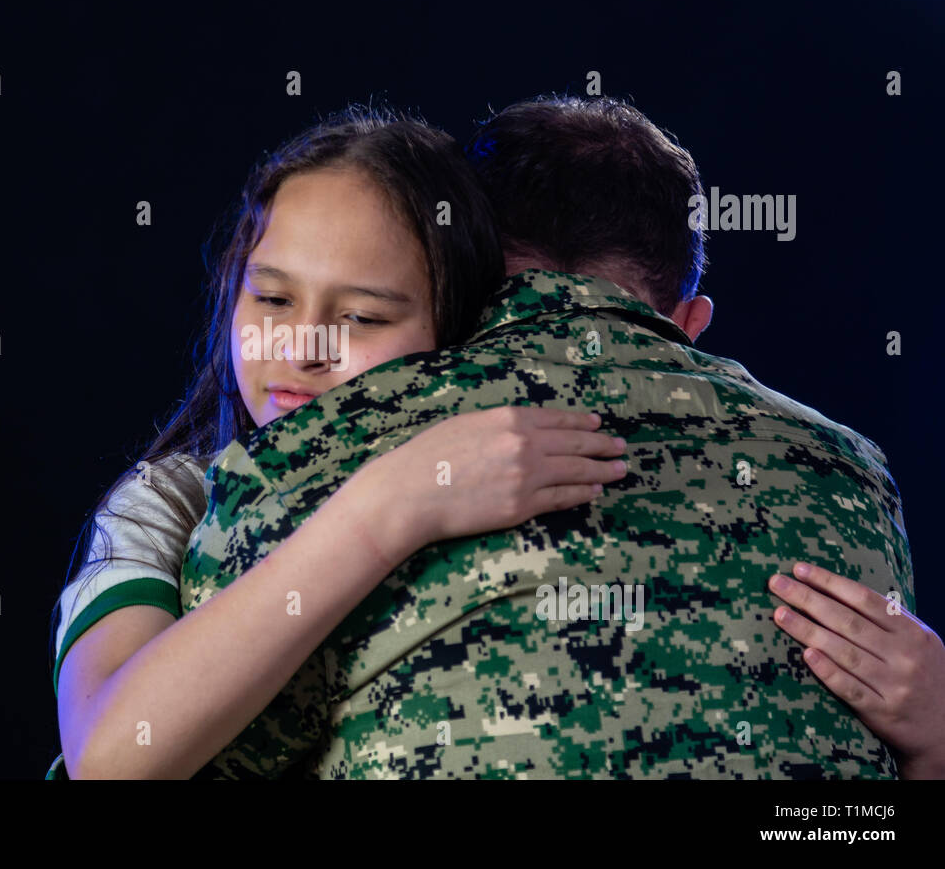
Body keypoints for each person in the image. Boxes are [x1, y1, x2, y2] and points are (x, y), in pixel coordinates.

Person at [178, 95, 945, 779]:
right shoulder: (850, 471)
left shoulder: (317, 447)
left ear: (457, 290)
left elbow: (180, 752)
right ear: (690, 324)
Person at [48, 104, 629, 779]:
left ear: (458, 330)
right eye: (272, 300)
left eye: (361, 317)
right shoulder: (167, 502)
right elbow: (111, 760)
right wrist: (391, 504)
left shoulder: (516, 466)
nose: (302, 348)